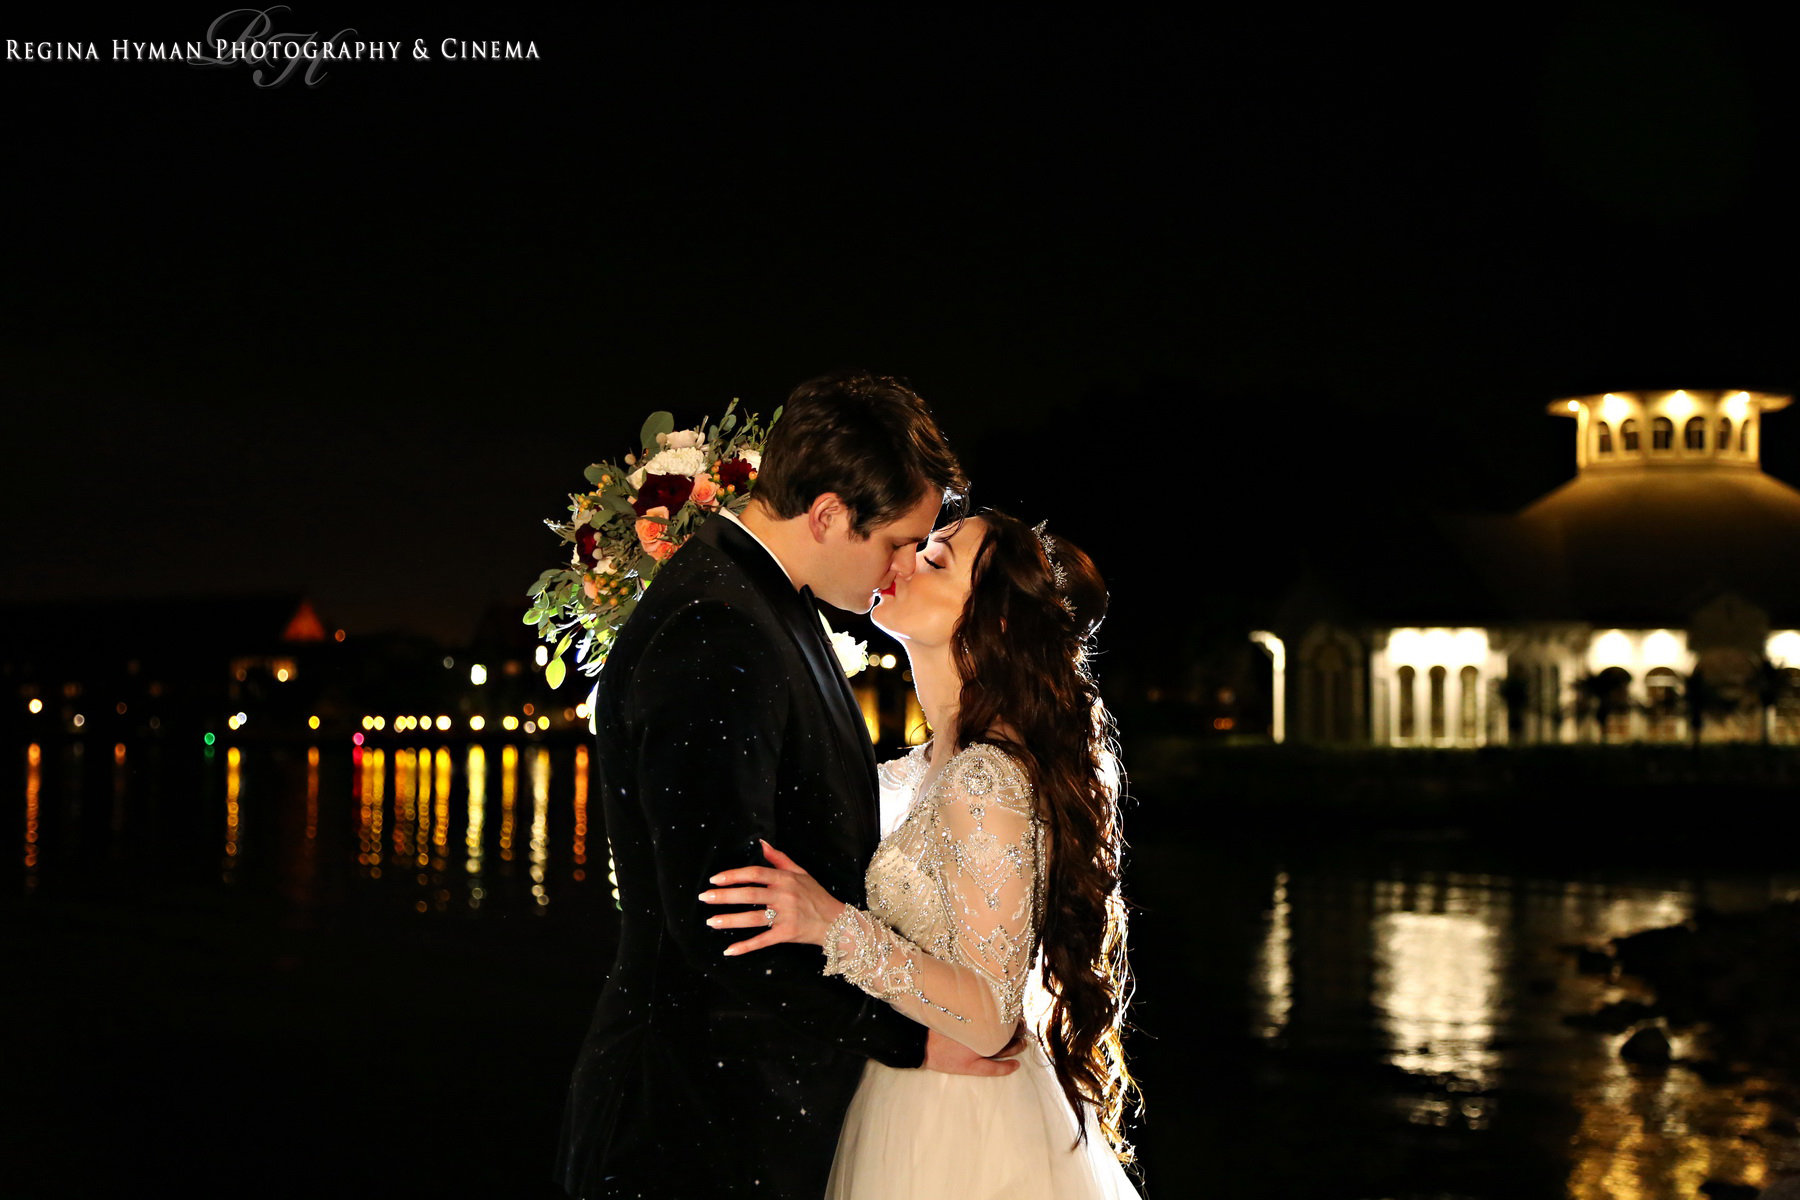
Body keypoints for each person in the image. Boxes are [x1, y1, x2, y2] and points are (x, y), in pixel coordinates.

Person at [553, 372, 1021, 1200]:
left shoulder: (770, 604)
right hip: (693, 1127)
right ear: (831, 514)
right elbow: (720, 915)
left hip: (749, 1112)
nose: (904, 565)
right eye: (898, 542)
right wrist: (909, 1041)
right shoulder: (718, 625)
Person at [702, 509, 1140, 1198]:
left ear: (995, 622)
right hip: (902, 1087)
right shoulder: (918, 771)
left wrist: (830, 924)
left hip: (962, 1126)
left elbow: (992, 1017)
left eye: (935, 561)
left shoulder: (985, 779)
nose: (901, 561)